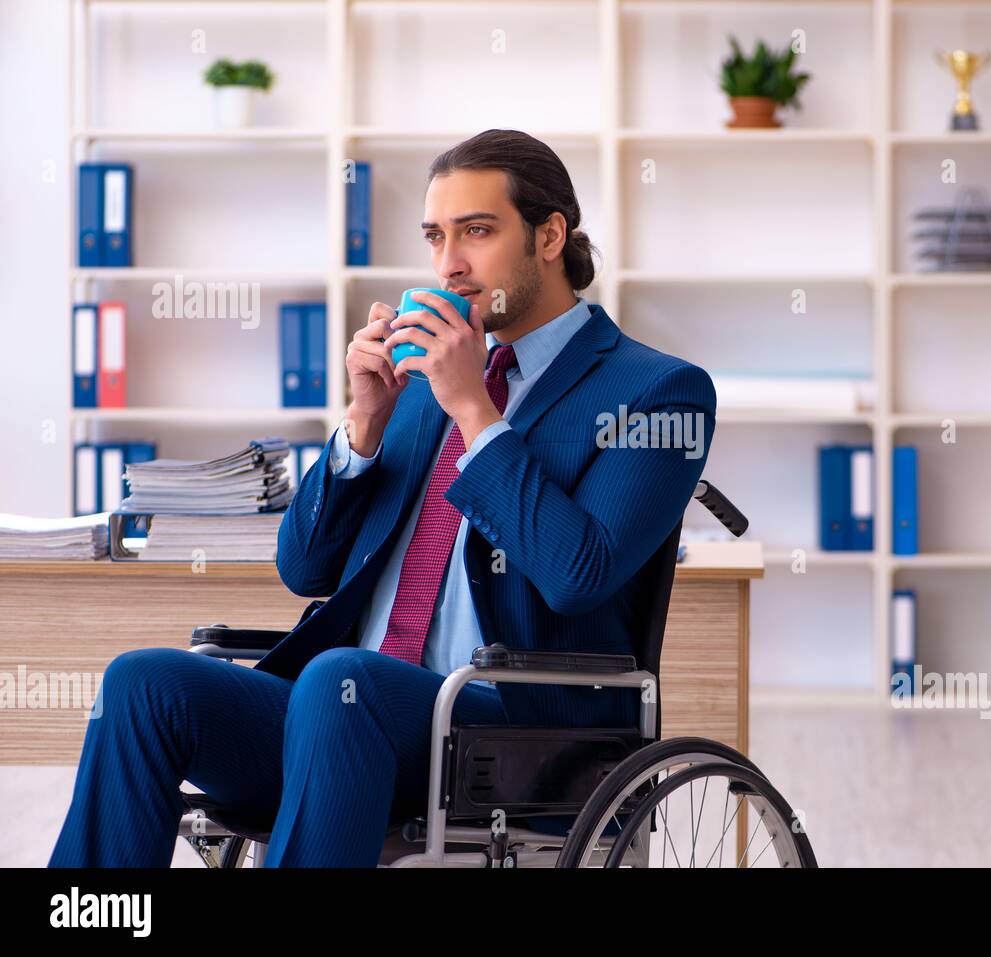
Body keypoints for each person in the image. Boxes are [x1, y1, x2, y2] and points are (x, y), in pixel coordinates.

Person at [49, 129, 716, 867]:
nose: (449, 264)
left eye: (478, 232)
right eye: (436, 236)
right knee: (143, 682)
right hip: (341, 712)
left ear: (550, 235)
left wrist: (477, 415)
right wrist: (362, 425)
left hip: (517, 730)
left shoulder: (655, 391)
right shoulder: (423, 385)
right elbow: (303, 569)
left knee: (341, 681)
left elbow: (577, 574)